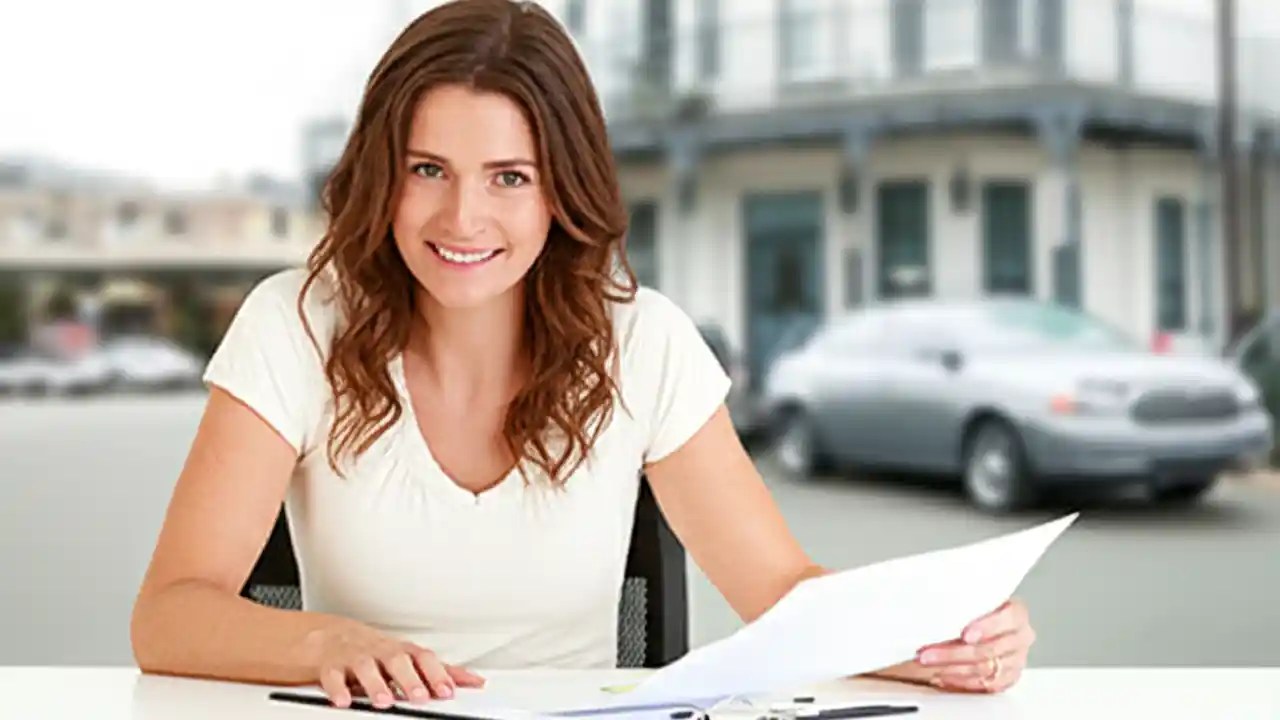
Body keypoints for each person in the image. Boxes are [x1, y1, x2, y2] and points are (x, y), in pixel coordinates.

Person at [130, 0, 1036, 710]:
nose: (462, 220)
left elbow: (781, 592)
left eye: (509, 178)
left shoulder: (646, 343)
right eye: (427, 169)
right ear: (382, 174)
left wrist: (942, 645)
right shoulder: (292, 323)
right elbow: (171, 612)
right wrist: (323, 643)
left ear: (561, 190)